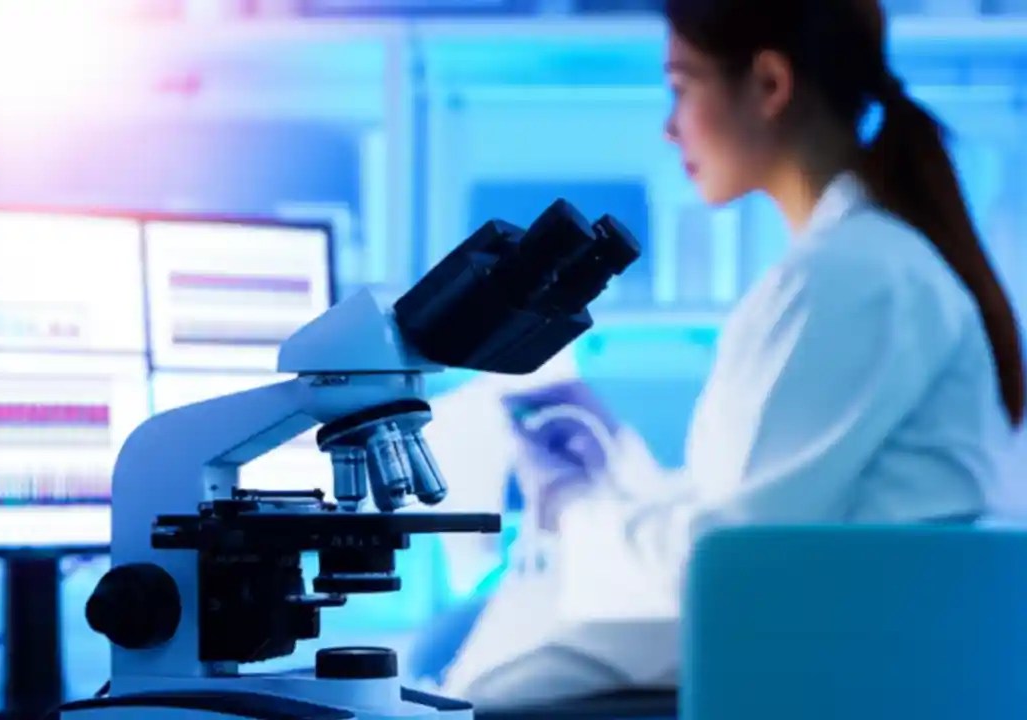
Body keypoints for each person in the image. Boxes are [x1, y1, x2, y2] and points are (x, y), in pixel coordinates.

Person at [437, 0, 1027, 709]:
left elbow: (734, 562)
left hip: (822, 662)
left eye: (682, 87)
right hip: (828, 641)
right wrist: (612, 465)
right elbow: (757, 507)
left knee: (466, 686)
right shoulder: (854, 264)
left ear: (770, 85)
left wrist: (572, 512)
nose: (669, 124)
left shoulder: (855, 277)